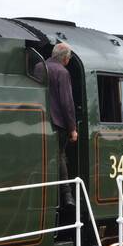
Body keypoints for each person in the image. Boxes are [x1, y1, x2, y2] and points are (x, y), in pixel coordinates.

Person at [34, 42, 78, 233]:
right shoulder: (62, 72)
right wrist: (73, 128)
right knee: (60, 156)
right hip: (58, 122)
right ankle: (67, 195)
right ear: (66, 58)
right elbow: (67, 102)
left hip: (38, 121)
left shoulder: (38, 67)